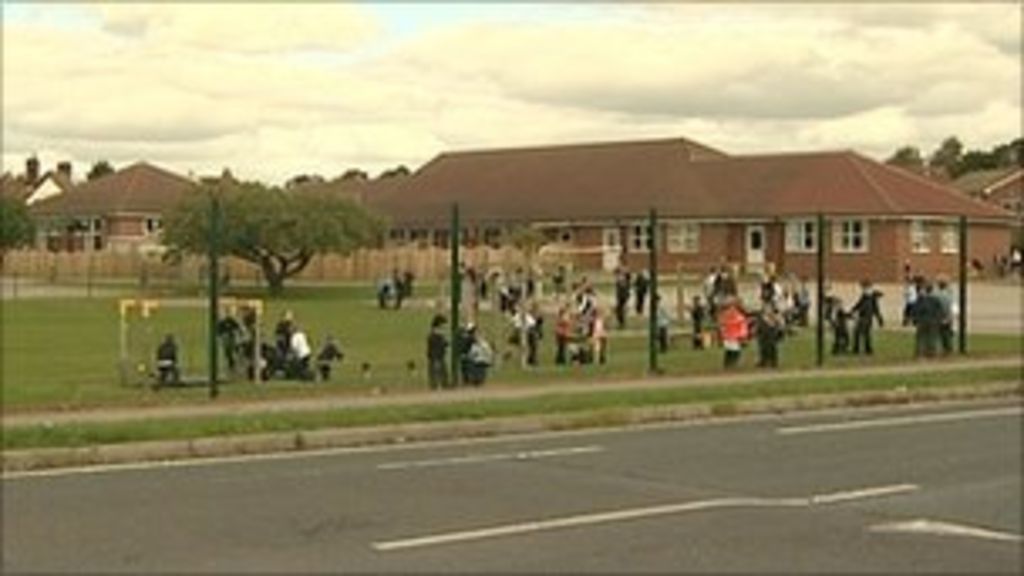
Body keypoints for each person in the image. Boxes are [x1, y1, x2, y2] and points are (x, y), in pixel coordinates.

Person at [851, 280, 884, 355]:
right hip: (862, 317)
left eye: (864, 287)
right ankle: (862, 349)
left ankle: (866, 349)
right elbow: (858, 305)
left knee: (862, 333)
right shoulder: (864, 296)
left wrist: (880, 319)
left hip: (867, 318)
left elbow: (876, 309)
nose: (862, 289)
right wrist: (852, 310)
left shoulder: (872, 297)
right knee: (860, 333)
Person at [913, 281, 943, 358]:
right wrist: (939, 320)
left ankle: (920, 354)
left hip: (922, 321)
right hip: (933, 321)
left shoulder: (921, 299)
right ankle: (932, 353)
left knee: (920, 338)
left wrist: (915, 320)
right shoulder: (936, 300)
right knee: (932, 338)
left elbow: (916, 310)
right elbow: (939, 311)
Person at [718, 297, 748, 369]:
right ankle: (728, 364)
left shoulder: (739, 317)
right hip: (729, 336)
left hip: (735, 336)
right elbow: (723, 326)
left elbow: (743, 326)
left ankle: (733, 363)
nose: (731, 310)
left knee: (735, 349)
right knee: (730, 350)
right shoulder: (725, 316)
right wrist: (723, 334)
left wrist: (743, 335)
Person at [426, 314, 449, 389]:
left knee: (443, 376)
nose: (445, 327)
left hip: (440, 357)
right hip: (436, 358)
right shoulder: (434, 336)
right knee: (436, 377)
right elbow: (433, 349)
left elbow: (445, 344)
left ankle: (442, 386)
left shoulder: (440, 335)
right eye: (443, 325)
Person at [935, 277, 956, 355]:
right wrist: (951, 318)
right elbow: (953, 308)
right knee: (947, 337)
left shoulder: (935, 295)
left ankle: (940, 351)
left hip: (938, 319)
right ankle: (948, 352)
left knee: (938, 337)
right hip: (947, 318)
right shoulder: (949, 295)